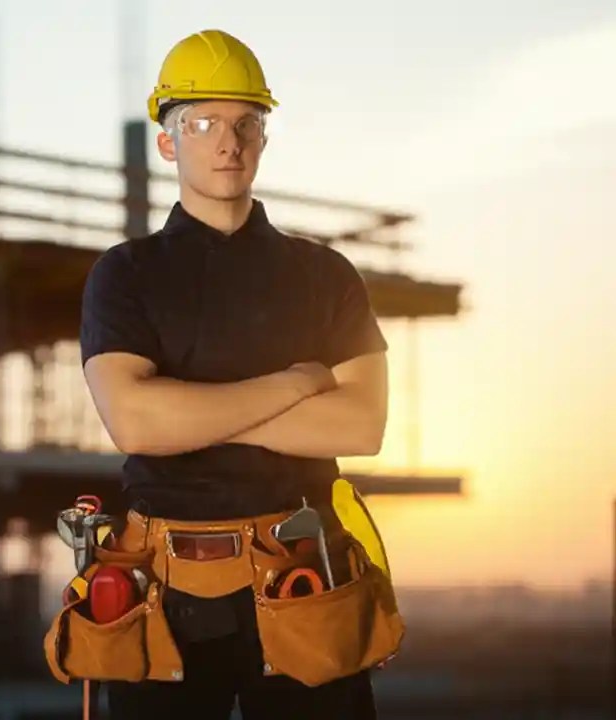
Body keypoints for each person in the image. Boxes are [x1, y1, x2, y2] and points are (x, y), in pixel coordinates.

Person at [78, 29, 391, 718]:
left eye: (248, 123)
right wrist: (292, 385)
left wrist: (191, 409)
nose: (229, 141)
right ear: (168, 141)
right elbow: (135, 422)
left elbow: (361, 425)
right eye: (204, 123)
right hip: (165, 591)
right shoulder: (124, 275)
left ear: (265, 138)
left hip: (307, 579)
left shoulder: (325, 274)